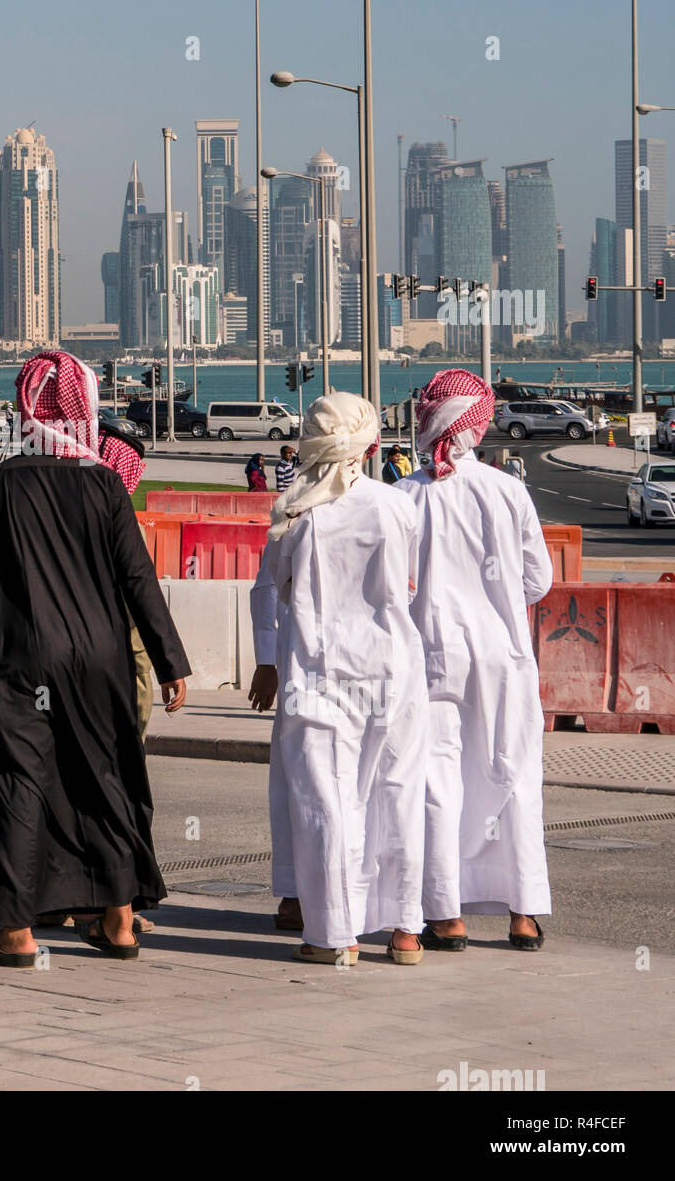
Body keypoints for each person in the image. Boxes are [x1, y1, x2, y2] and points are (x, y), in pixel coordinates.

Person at [0, 351, 190, 968]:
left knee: (21, 784)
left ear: (25, 408)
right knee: (109, 778)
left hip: (24, 662)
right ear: (83, 408)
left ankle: (16, 935)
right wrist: (170, 660)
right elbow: (137, 579)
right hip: (102, 659)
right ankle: (118, 922)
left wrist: (2, 627)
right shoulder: (104, 483)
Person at [248, 392, 428, 966]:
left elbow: (271, 589)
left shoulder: (295, 513)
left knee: (326, 800)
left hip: (320, 676)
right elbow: (412, 581)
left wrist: (269, 659)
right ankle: (404, 930)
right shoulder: (396, 506)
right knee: (396, 793)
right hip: (393, 672)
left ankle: (334, 935)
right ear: (371, 446)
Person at [394, 369, 553, 953]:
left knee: (436, 780)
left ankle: (445, 914)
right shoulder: (508, 490)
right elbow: (539, 580)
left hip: (431, 658)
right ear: (478, 424)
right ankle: (525, 911)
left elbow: (394, 588)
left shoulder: (406, 495)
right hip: (503, 656)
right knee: (512, 773)